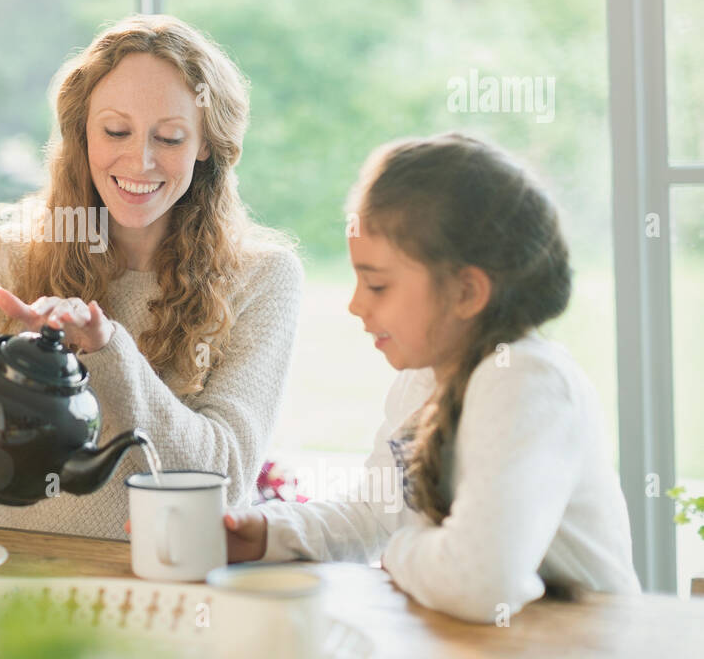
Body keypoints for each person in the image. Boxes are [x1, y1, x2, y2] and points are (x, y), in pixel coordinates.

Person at [0, 14, 303, 539]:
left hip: (165, 590)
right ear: (82, 132)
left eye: (171, 138)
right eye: (116, 131)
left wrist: (110, 352)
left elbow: (224, 481)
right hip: (18, 594)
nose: (141, 160)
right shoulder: (8, 256)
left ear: (206, 143)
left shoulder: (263, 278)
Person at [223, 133, 640, 622]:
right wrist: (267, 533)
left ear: (467, 291)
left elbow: (478, 583)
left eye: (377, 283)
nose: (355, 304)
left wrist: (402, 549)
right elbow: (375, 514)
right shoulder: (422, 380)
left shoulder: (525, 381)